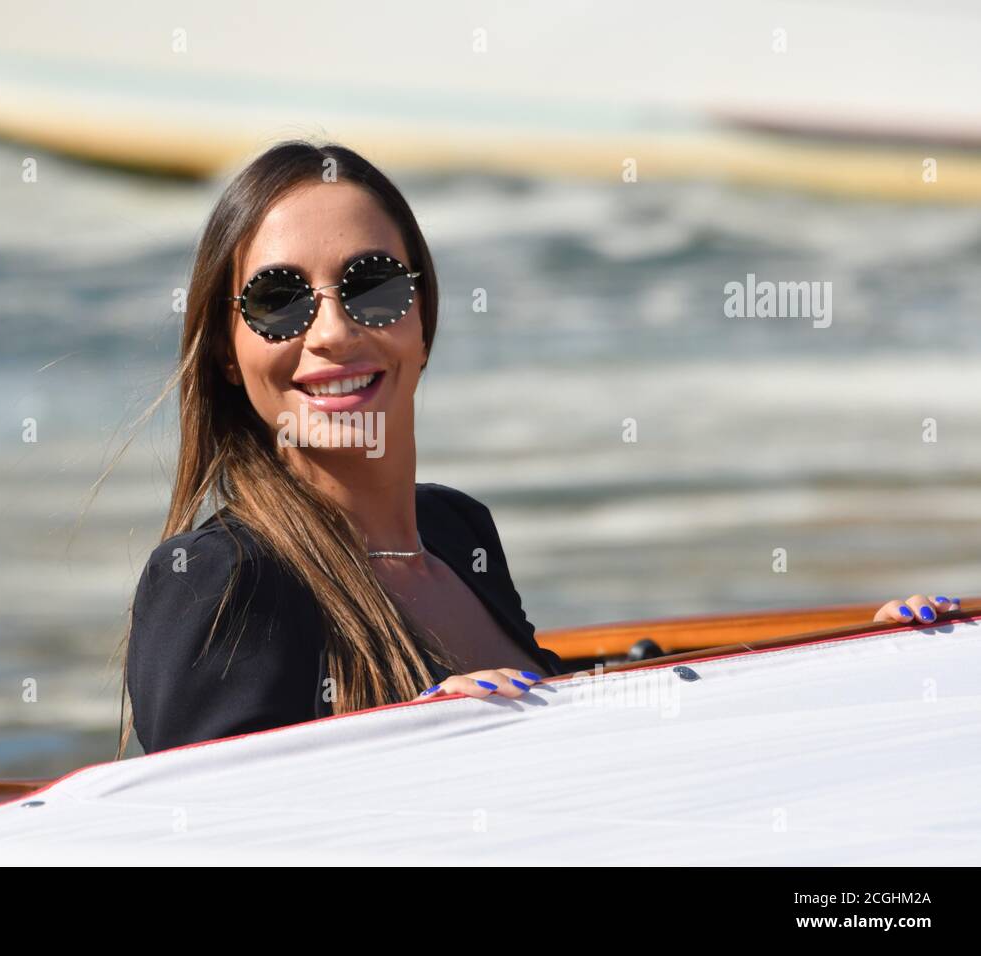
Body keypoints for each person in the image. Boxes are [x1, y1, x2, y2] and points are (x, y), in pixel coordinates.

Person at [115, 140, 961, 757]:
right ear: (228, 351)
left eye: (372, 285)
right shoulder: (223, 580)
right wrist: (409, 745)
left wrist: (857, 664)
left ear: (421, 317)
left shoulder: (455, 532)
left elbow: (585, 732)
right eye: (278, 302)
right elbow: (197, 839)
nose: (332, 331)